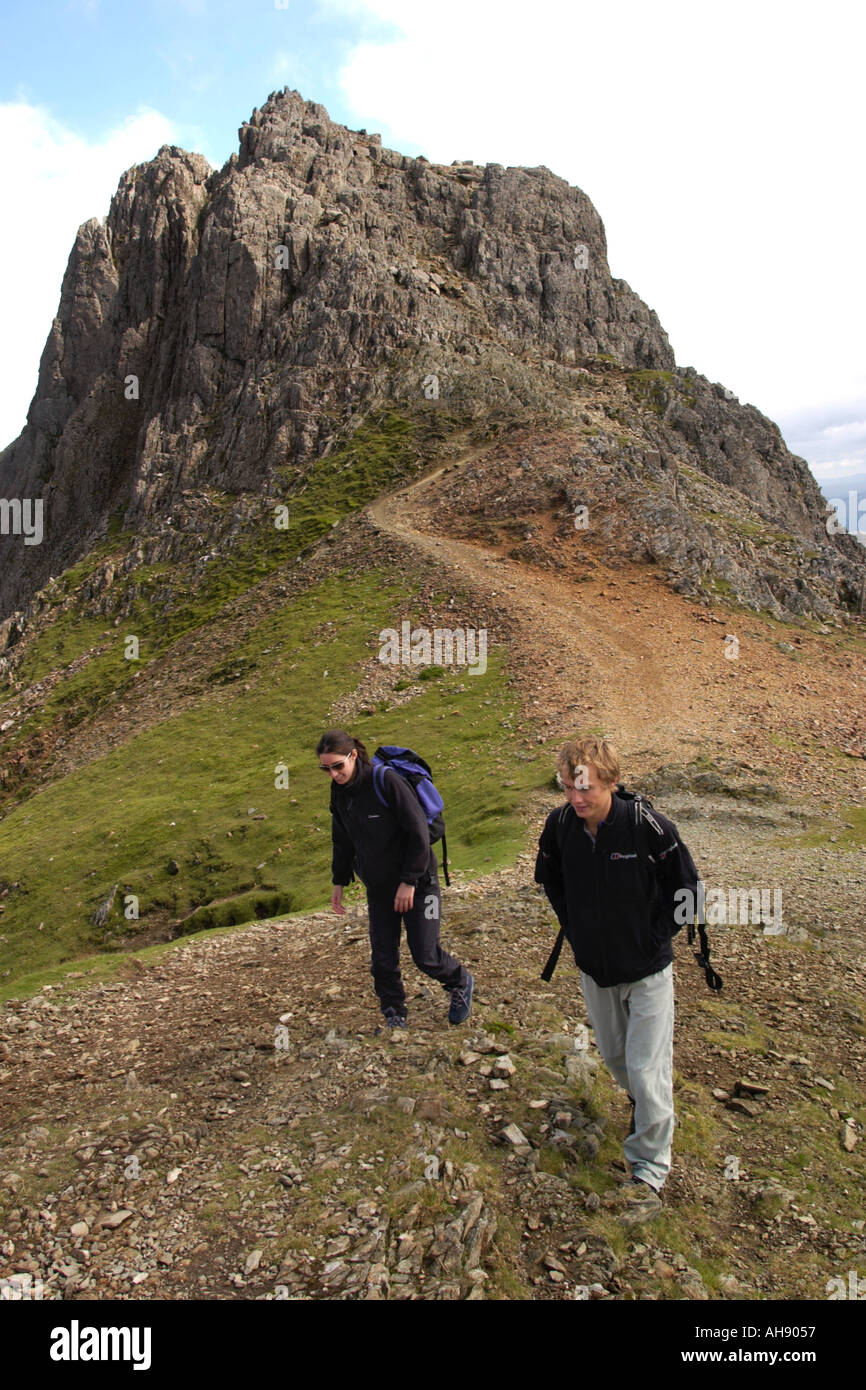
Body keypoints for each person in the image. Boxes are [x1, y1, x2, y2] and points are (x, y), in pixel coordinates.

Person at [534, 735, 701, 1222]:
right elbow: (550, 880)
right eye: (568, 788)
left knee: (648, 1070)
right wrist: (577, 931)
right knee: (617, 1059)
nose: (576, 798)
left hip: (648, 971)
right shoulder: (560, 826)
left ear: (610, 781)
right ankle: (648, 1108)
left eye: (585, 788)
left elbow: (689, 888)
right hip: (596, 970)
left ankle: (648, 1171)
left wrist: (655, 937)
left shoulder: (647, 826)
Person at [317, 729, 474, 1029]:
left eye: (338, 766)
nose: (334, 774)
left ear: (353, 755)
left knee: (425, 954)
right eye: (326, 769)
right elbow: (342, 839)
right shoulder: (339, 792)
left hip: (421, 883)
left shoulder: (386, 781)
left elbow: (419, 835)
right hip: (379, 887)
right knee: (383, 958)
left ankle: (460, 981)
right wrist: (339, 881)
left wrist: (409, 882)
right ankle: (394, 1014)